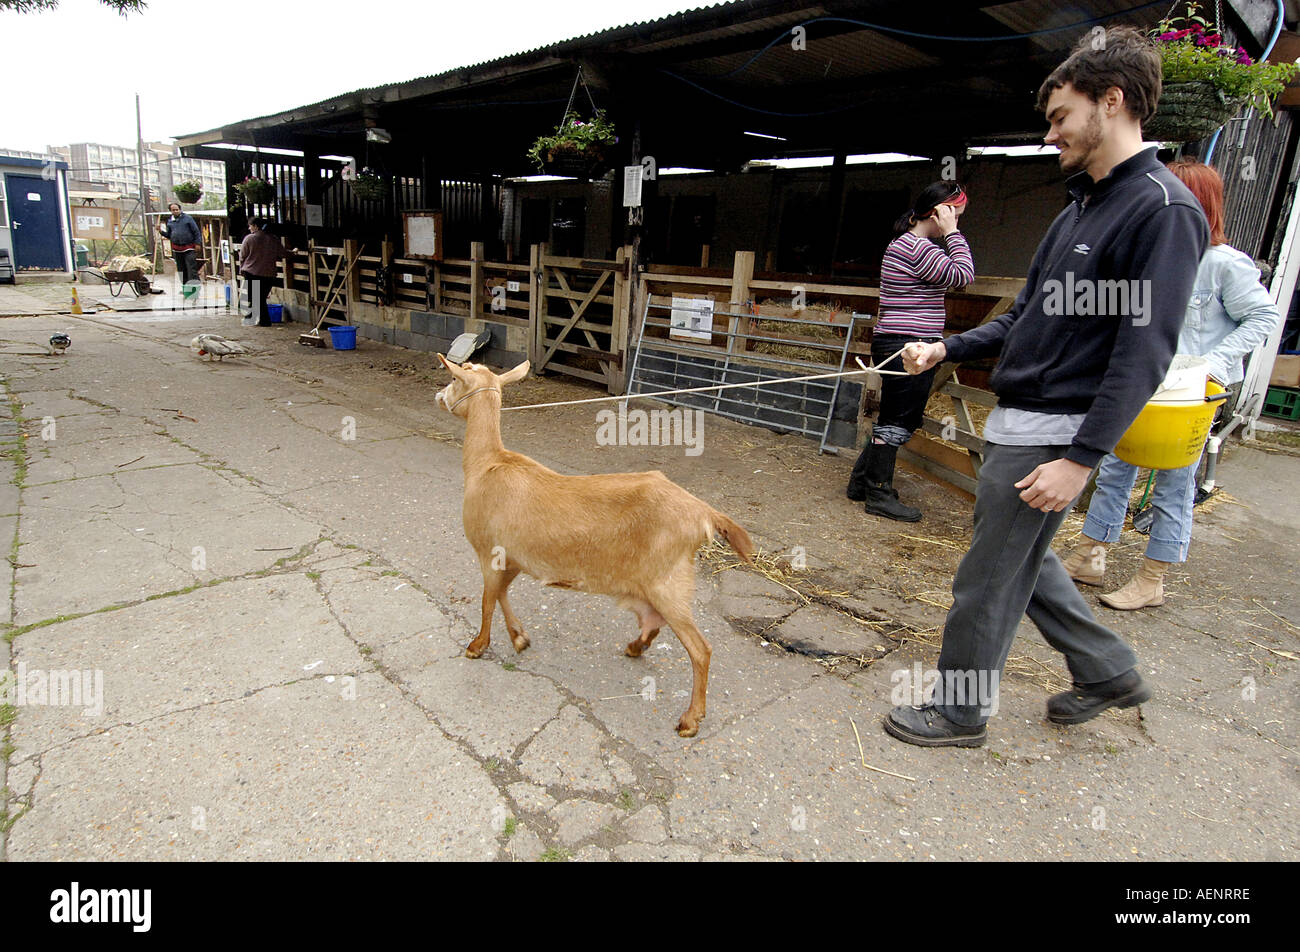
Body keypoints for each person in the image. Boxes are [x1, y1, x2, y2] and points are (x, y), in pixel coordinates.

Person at [882, 26, 1209, 748]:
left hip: (1054, 434)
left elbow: (1143, 352)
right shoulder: (1082, 206)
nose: (1052, 132)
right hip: (1020, 419)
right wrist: (947, 346)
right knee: (1016, 559)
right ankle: (1107, 668)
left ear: (1112, 101)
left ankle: (960, 712)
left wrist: (1082, 457)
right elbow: (1027, 317)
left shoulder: (1162, 210)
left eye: (1062, 116)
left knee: (986, 577)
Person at [1061, 160, 1281, 609]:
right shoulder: (1153, 261)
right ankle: (1090, 555)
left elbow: (1263, 316)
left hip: (1189, 395)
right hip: (1143, 383)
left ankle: (1152, 578)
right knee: (1116, 466)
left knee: (1174, 481)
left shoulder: (1223, 264)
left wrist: (1210, 365)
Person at [846, 182, 975, 521]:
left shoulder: (908, 245)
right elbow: (963, 275)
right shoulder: (918, 247)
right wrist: (953, 233)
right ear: (939, 212)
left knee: (898, 414)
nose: (958, 221)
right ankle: (878, 493)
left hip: (900, 338)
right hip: (909, 341)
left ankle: (862, 482)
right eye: (955, 214)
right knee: (900, 417)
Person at [238, 218, 290, 326]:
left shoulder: (249, 239)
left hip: (251, 272)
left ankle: (264, 320)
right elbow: (284, 253)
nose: (249, 228)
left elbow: (242, 256)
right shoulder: (273, 239)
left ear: (256, 226)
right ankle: (253, 317)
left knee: (257, 297)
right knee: (260, 297)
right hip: (269, 274)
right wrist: (294, 252)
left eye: (250, 226)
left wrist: (241, 269)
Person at [157, 203, 202, 288]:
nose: (175, 211)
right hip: (177, 249)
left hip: (189, 248)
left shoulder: (188, 219)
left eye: (177, 209)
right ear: (170, 211)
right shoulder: (170, 222)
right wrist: (160, 231)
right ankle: (185, 287)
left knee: (191, 269)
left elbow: (196, 232)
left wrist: (197, 243)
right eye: (173, 210)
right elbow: (169, 235)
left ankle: (194, 288)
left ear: (180, 210)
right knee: (181, 269)